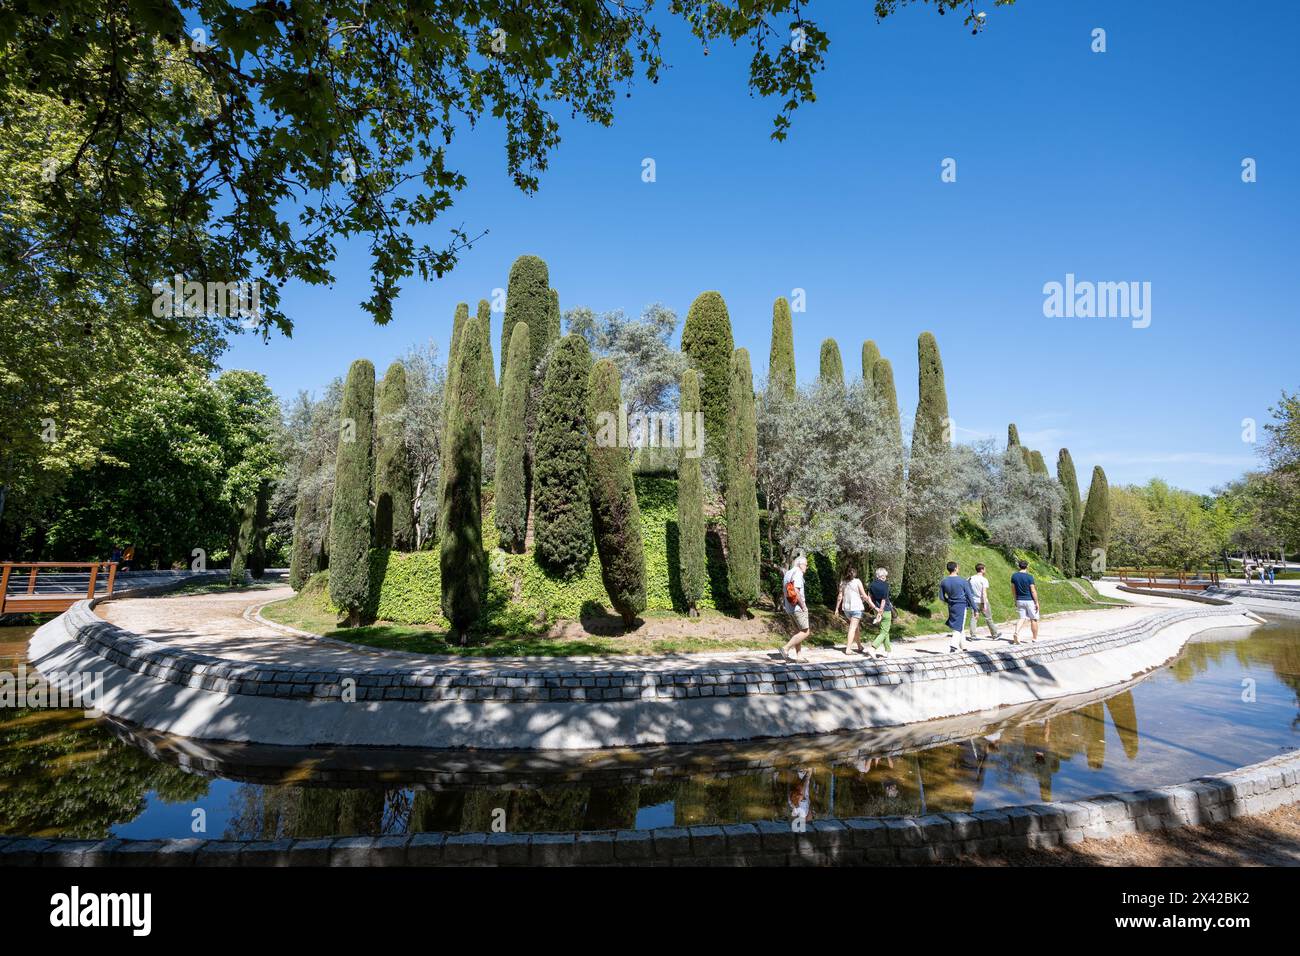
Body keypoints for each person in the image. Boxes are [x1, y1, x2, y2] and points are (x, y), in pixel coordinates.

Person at [940, 561, 978, 653]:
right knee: (958, 627)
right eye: (958, 567)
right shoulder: (962, 581)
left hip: (951, 605)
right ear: (956, 568)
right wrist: (975, 609)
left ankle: (963, 647)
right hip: (961, 605)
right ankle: (953, 646)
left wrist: (949, 601)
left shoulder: (944, 581)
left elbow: (941, 597)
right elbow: (969, 596)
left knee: (960, 625)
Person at [780, 555, 811, 662]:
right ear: (800, 564)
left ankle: (799, 656)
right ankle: (786, 648)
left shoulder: (788, 573)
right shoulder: (798, 573)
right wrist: (803, 606)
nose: (807, 567)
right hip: (797, 607)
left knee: (798, 631)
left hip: (789, 607)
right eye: (806, 565)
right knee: (805, 632)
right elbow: (797, 591)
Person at [835, 566, 870, 655]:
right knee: (853, 628)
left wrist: (836, 609)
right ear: (854, 573)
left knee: (856, 627)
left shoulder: (843, 583)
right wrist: (871, 603)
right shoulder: (857, 581)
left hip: (846, 609)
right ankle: (848, 649)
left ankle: (859, 646)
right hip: (856, 608)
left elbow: (840, 596)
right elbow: (864, 595)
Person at [1010, 559, 1040, 643]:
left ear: (1019, 566)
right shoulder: (1029, 577)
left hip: (1019, 600)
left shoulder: (1014, 576)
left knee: (1022, 618)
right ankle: (1034, 638)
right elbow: (1033, 590)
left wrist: (1015, 599)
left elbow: (1013, 589)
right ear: (1027, 566)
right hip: (1029, 600)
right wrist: (1036, 602)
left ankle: (1016, 632)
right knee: (1033, 619)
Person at [967, 562, 1000, 640]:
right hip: (982, 601)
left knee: (974, 617)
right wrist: (985, 604)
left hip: (974, 601)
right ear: (981, 570)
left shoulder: (970, 578)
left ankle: (973, 635)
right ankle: (994, 634)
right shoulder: (984, 580)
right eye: (984, 569)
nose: (985, 570)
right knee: (988, 618)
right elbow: (984, 593)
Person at [866, 567, 894, 656]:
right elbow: (883, 600)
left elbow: (868, 599)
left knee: (885, 630)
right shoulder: (885, 585)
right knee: (884, 631)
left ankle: (888, 651)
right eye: (885, 576)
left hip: (876, 610)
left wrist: (876, 609)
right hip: (885, 610)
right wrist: (881, 610)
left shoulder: (871, 585)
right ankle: (873, 648)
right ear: (883, 576)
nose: (886, 578)